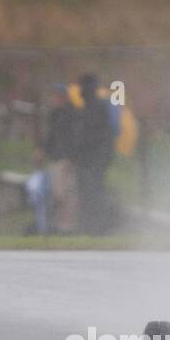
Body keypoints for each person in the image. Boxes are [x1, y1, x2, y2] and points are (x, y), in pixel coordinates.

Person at [70, 72, 114, 234]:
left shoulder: (98, 108)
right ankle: (87, 226)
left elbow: (102, 136)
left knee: (94, 192)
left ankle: (97, 227)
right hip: (85, 160)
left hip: (95, 159)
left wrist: (102, 157)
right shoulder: (85, 110)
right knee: (85, 193)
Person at [42, 84, 79, 233]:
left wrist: (72, 157)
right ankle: (60, 225)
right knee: (59, 193)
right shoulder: (55, 114)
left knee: (66, 193)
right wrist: (43, 150)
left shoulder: (73, 114)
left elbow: (74, 138)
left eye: (57, 96)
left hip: (67, 159)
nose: (55, 99)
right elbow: (51, 135)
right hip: (57, 158)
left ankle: (68, 225)